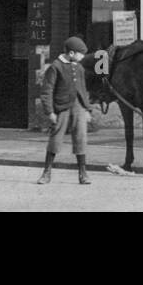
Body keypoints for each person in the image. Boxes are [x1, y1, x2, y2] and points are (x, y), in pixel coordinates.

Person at [37, 36, 92, 185]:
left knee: (81, 139)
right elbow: (47, 91)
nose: (82, 57)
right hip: (61, 108)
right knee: (55, 139)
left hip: (78, 107)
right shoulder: (56, 67)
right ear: (72, 53)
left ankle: (83, 174)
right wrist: (49, 112)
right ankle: (46, 173)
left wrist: (87, 109)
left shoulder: (79, 67)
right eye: (81, 54)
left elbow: (82, 89)